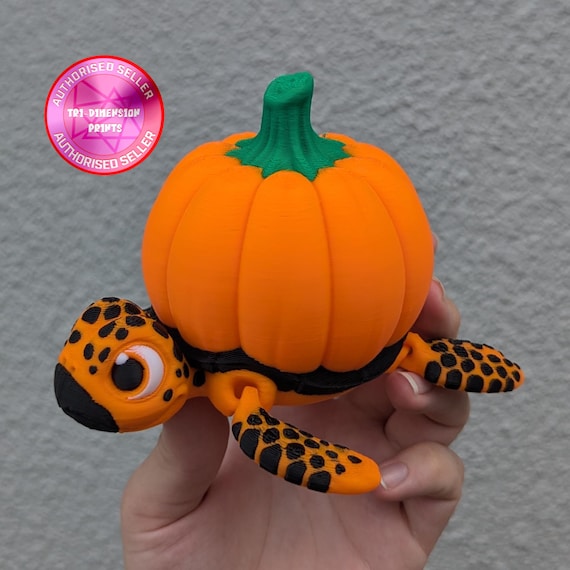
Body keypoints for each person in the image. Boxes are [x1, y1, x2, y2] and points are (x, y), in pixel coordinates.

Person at [121, 266, 467, 569]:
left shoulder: (235, 390)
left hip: (367, 350)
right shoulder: (229, 395)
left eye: (129, 375)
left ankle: (423, 356)